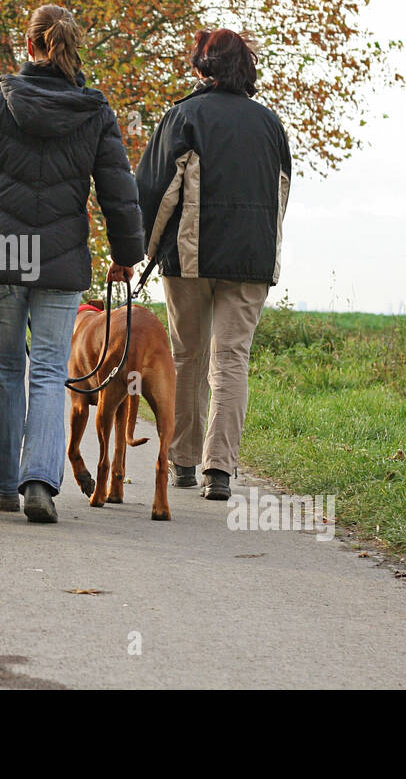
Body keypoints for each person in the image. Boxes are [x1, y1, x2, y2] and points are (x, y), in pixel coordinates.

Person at [0, 4, 144, 523]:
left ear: (30, 45)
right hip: (61, 262)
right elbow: (118, 192)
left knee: (7, 367)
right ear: (70, 46)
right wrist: (127, 256)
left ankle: (3, 485)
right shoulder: (95, 112)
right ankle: (41, 480)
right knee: (48, 370)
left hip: (1, 254)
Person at [135, 28, 291, 500]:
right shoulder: (271, 125)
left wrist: (145, 249)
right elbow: (281, 192)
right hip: (251, 260)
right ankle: (219, 470)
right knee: (231, 360)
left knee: (187, 356)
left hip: (190, 258)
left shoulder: (184, 116)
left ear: (203, 69)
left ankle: (182, 461)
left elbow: (157, 192)